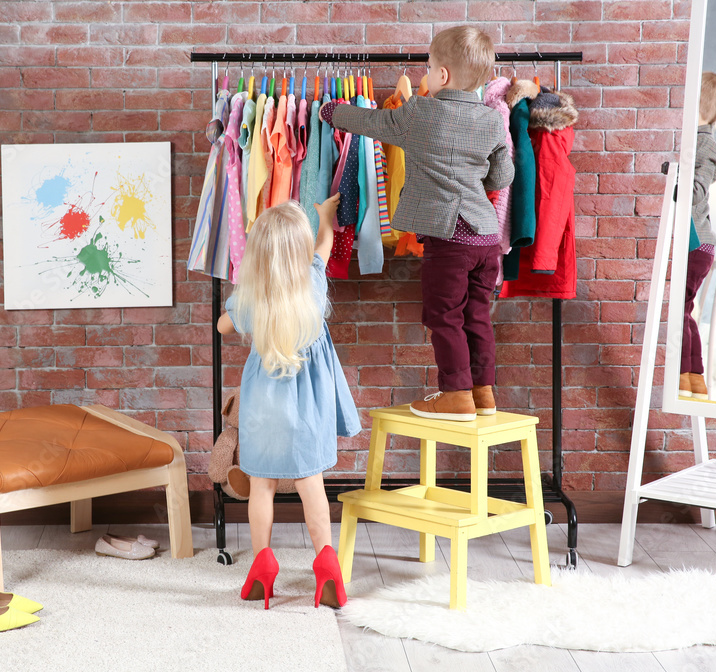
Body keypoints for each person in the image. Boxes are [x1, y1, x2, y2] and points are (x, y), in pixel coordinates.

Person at [321, 26, 514, 422]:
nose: (424, 75)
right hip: (486, 239)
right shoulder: (493, 120)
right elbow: (501, 177)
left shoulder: (420, 112)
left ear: (442, 75)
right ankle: (483, 392)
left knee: (444, 316)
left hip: (450, 239)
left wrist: (330, 112)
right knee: (476, 314)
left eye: (427, 68)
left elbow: (374, 124)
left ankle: (456, 394)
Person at [217, 195, 361, 610]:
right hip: (309, 410)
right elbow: (323, 247)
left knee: (261, 485)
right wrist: (325, 219)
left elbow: (223, 326)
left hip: (265, 411)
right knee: (310, 484)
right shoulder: (313, 284)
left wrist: (242, 295)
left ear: (260, 256)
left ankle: (262, 566)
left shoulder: (252, 300)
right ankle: (327, 563)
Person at [681, 71, 716, 400]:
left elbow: (696, 190)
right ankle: (692, 378)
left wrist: (677, 183)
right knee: (683, 310)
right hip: (695, 243)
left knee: (679, 312)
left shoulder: (704, 144)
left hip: (697, 243)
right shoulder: (694, 141)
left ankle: (688, 375)